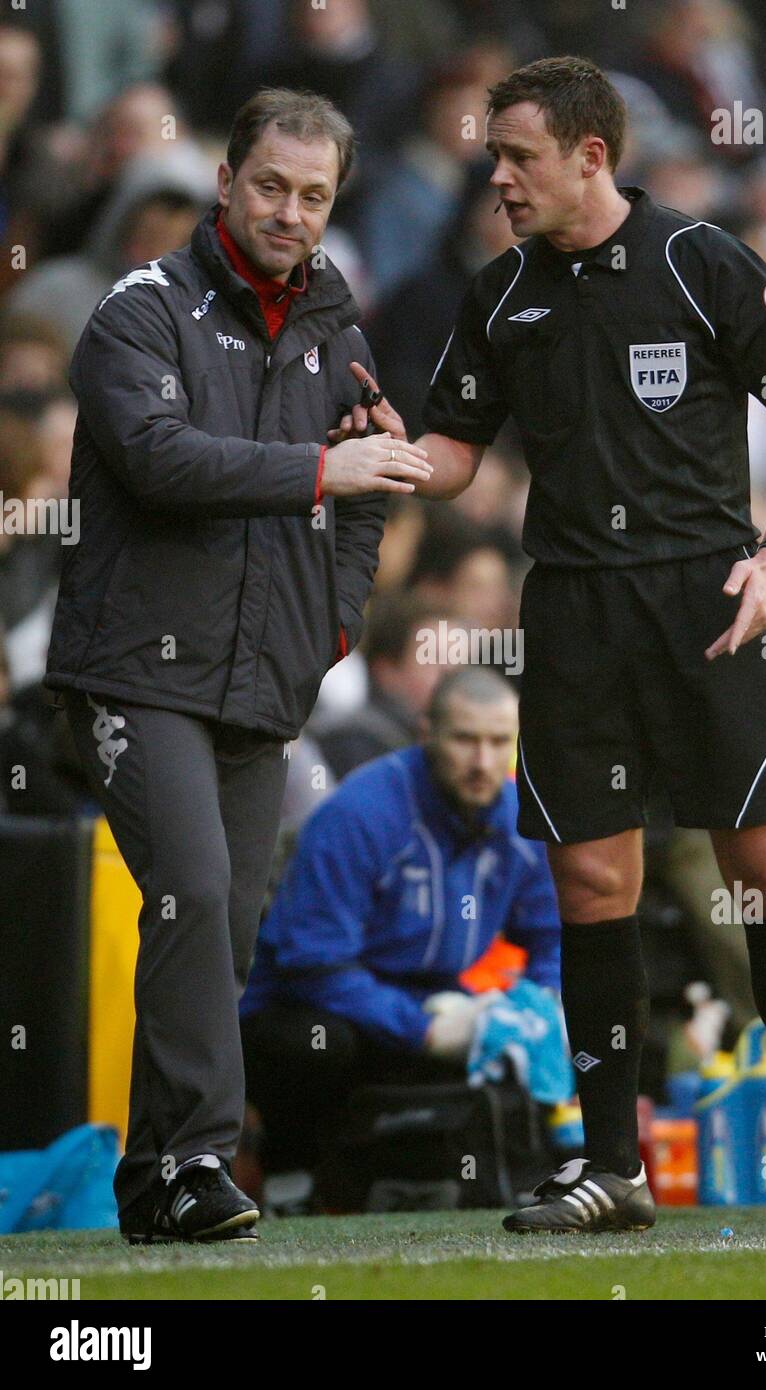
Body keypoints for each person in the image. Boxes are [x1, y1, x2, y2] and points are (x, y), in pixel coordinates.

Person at [333, 57, 766, 1237]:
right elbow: (458, 456)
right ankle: (611, 1167)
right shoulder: (498, 293)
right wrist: (390, 446)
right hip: (575, 608)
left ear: (590, 155)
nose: (498, 178)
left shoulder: (700, 260)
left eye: (517, 157)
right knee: (590, 883)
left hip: (706, 602)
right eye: (490, 158)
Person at [42, 86, 431, 1247]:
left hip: (265, 674)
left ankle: (155, 1176)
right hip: (135, 668)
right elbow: (161, 460)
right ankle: (206, 1153)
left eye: (314, 195)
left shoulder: (336, 334)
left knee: (222, 926)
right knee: (195, 890)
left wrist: (336, 624)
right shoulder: (139, 311)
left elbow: (381, 480)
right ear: (223, 181)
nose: (290, 212)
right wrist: (321, 474)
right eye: (271, 185)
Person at [239, 667, 561, 1192]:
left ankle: (419, 1183)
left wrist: (544, 1005)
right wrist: (421, 1028)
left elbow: (551, 934)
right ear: (426, 733)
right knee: (317, 1046)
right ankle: (288, 1175)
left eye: (499, 742)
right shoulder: (361, 813)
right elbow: (313, 963)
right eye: (465, 740)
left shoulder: (517, 819)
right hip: (311, 1009)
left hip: (428, 1002)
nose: (483, 762)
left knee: (514, 1048)